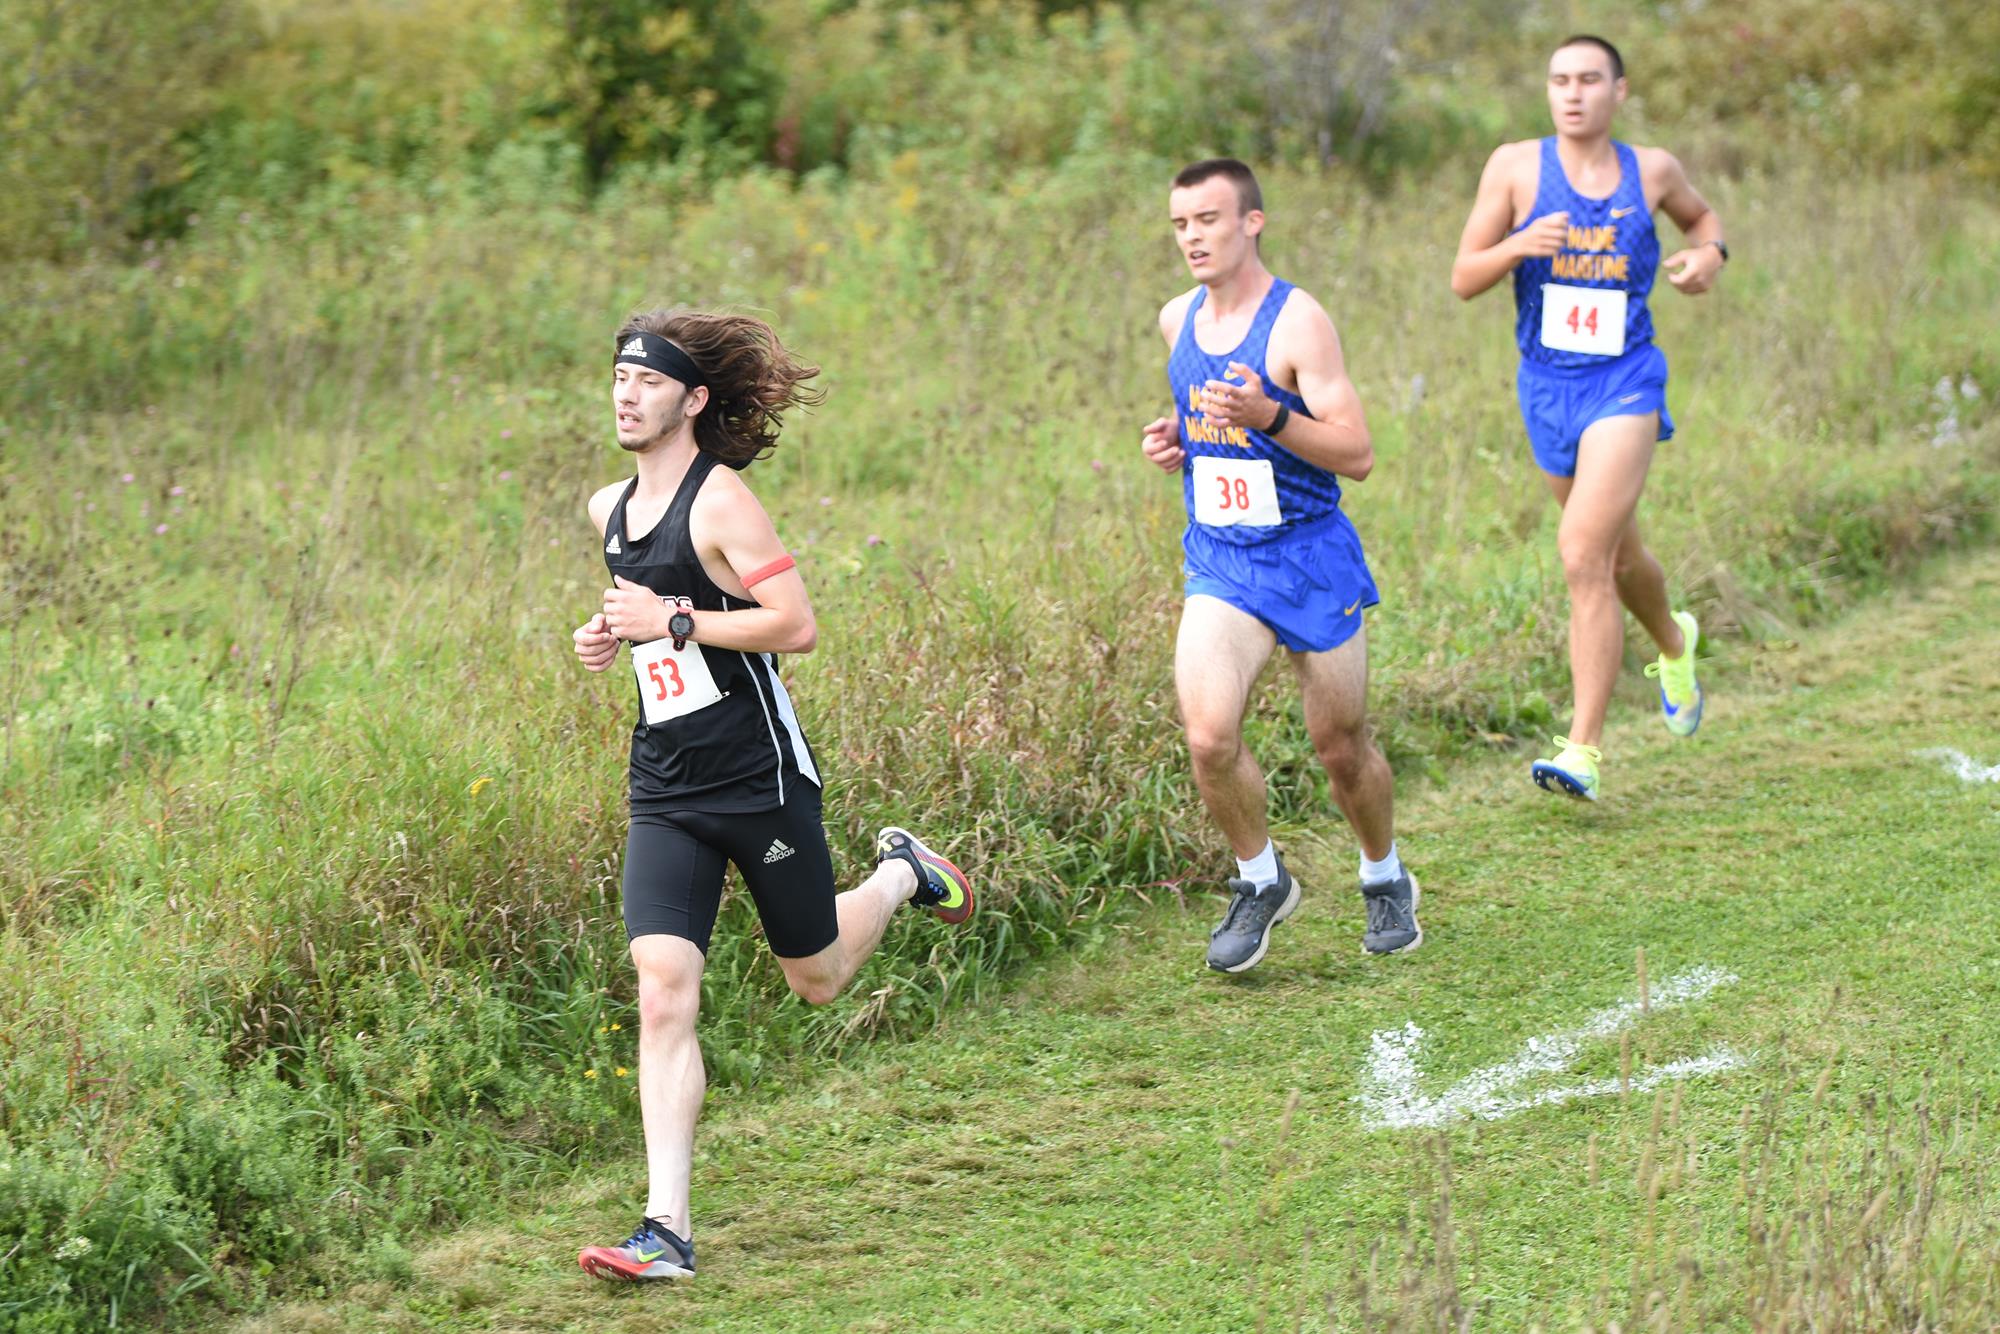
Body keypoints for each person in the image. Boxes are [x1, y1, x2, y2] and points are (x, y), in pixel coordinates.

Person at [571, 310, 974, 1281]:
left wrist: (669, 618)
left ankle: (897, 874)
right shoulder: (606, 509)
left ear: (693, 399)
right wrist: (608, 633)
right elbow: (662, 626)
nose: (626, 392)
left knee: (818, 976)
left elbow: (793, 623)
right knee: (663, 988)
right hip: (665, 784)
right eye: (618, 375)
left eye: (647, 379)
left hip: (759, 779)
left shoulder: (721, 503)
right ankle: (665, 1227)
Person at [1140, 158, 1421, 971]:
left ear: (1252, 222)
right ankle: (1261, 880)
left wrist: (1270, 415)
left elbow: (1357, 453)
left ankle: (1383, 874)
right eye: (1181, 224)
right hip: (1223, 562)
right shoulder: (1175, 319)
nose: (1193, 237)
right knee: (1207, 735)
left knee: (1340, 746)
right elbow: (1205, 420)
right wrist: (1176, 439)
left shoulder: (1299, 323)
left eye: (1209, 220)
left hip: (1309, 560)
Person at [1450, 33, 1725, 800]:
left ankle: (1583, 750)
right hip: (1547, 388)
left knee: (1580, 555)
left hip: (1625, 382)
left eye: (1589, 80)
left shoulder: (1653, 170)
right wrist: (1515, 246)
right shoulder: (1514, 166)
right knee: (1619, 557)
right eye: (1559, 80)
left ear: (1619, 92)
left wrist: (1709, 257)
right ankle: (1674, 639)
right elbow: (1463, 276)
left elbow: (1703, 223)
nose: (1572, 93)